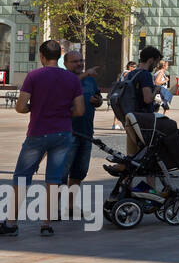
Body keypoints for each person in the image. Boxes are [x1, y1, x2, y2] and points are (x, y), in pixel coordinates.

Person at [1, 40, 84, 237]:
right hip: (63, 133)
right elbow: (80, 110)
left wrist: (34, 108)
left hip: (38, 132)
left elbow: (20, 107)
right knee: (53, 179)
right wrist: (62, 114)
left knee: (22, 176)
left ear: (42, 56)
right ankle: (47, 223)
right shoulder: (72, 79)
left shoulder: (34, 76)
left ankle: (11, 222)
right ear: (60, 56)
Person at [65, 50, 103, 190]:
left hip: (86, 133)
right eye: (75, 61)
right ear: (65, 64)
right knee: (61, 174)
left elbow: (98, 99)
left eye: (81, 61)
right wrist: (86, 73)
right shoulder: (64, 78)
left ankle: (69, 206)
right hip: (68, 134)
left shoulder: (90, 80)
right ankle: (54, 208)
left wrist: (97, 101)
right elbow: (68, 87)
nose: (79, 64)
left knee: (79, 173)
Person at [111, 61, 137, 130]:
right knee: (121, 108)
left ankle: (115, 124)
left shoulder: (126, 72)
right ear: (129, 67)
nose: (135, 68)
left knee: (119, 108)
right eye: (133, 67)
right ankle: (116, 123)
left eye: (135, 67)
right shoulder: (127, 72)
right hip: (122, 92)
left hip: (122, 92)